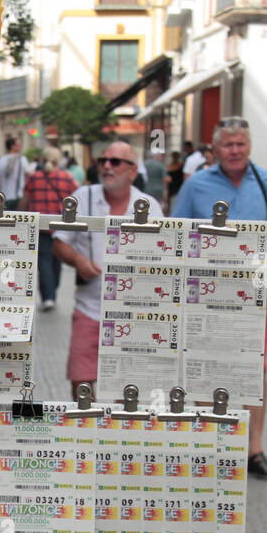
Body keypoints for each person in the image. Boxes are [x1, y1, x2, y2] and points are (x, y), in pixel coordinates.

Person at [172, 116, 267, 480]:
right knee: (205, 365)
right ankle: (211, 444)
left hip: (253, 294)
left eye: (240, 144)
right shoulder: (196, 186)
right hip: (204, 294)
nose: (235, 150)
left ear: (250, 146)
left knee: (254, 370)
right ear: (215, 149)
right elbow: (176, 231)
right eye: (228, 145)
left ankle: (254, 449)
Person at [52, 139, 162, 400]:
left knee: (126, 388)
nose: (107, 167)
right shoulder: (82, 197)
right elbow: (59, 243)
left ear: (132, 170)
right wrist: (79, 261)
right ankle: (86, 435)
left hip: (132, 314)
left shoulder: (148, 206)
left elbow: (163, 257)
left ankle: (117, 439)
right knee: (81, 383)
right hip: (89, 307)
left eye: (115, 162)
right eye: (103, 161)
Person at [20, 146, 77, 312]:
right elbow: (76, 198)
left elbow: (25, 200)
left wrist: (20, 217)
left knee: (43, 261)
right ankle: (52, 291)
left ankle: (48, 296)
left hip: (40, 227)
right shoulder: (67, 178)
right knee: (56, 261)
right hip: (61, 226)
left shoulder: (34, 178)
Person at [0, 136, 31, 210]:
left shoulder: (0, 161)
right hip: (19, 197)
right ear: (13, 146)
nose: (20, 147)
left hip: (3, 198)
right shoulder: (22, 159)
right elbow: (29, 177)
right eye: (18, 145)